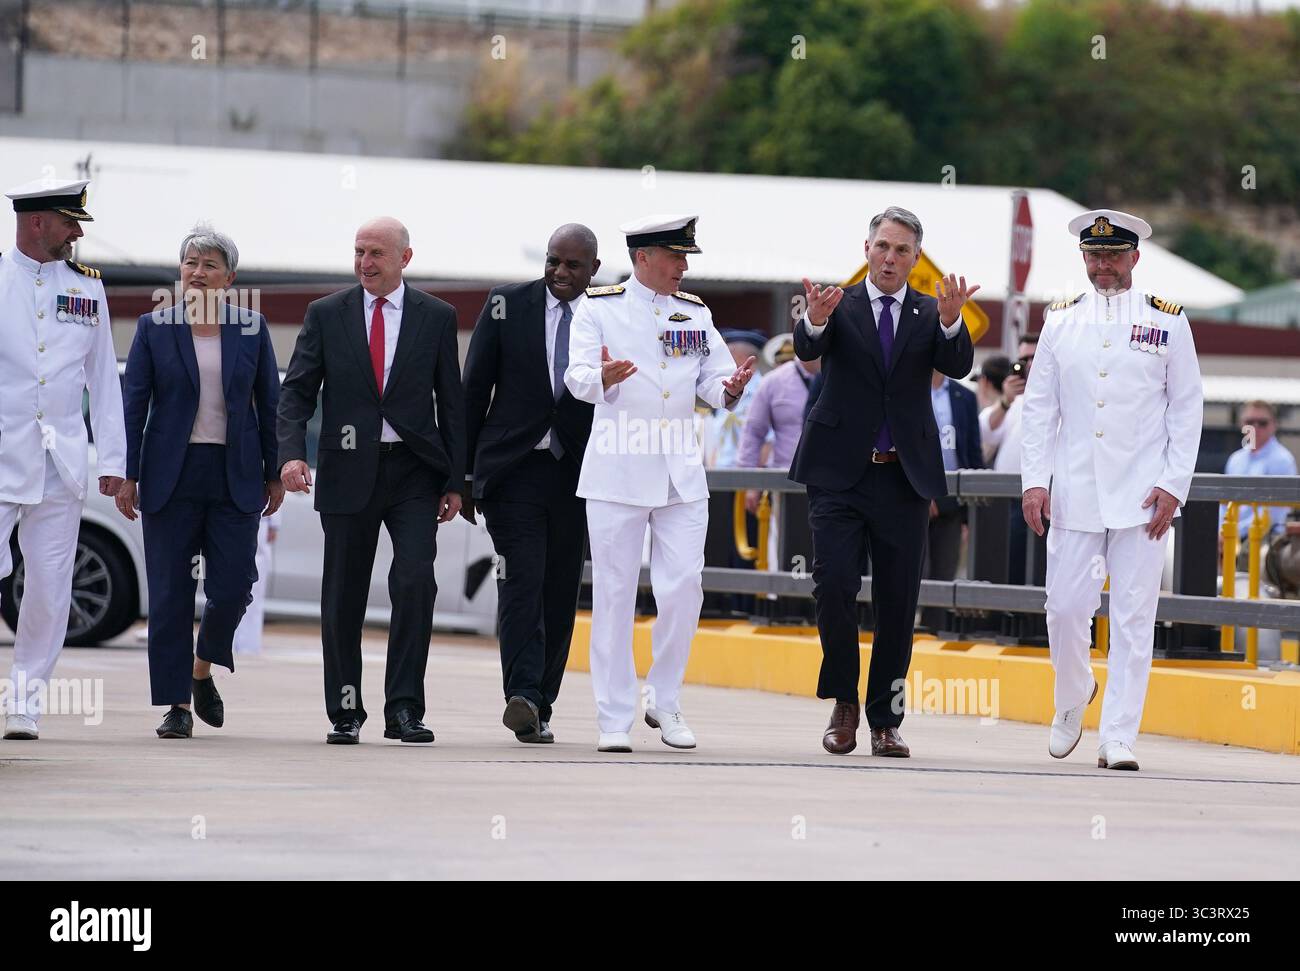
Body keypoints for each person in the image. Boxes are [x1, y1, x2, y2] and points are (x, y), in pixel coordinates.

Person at [564, 214, 754, 753]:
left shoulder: (694, 313)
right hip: (618, 469)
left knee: (684, 587)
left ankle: (665, 700)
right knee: (615, 595)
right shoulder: (597, 309)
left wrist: (731, 388)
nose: (685, 267)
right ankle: (613, 716)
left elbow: (712, 383)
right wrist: (600, 377)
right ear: (643, 258)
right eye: (676, 256)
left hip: (679, 471)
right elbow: (575, 377)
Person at [791, 206, 977, 758]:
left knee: (899, 602)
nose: (890, 257)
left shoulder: (928, 311)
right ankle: (844, 703)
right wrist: (816, 321)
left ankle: (885, 720)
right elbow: (807, 349)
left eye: (902, 251)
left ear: (915, 259)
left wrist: (950, 320)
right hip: (838, 476)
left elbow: (960, 364)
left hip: (904, 477)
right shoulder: (837, 304)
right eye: (882, 247)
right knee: (835, 588)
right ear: (866, 249)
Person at [1021, 208, 1203, 772]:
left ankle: (1119, 735)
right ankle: (1074, 695)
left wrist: (1174, 484)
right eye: (1094, 256)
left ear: (1134, 258)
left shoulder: (1168, 322)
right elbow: (1039, 408)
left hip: (1143, 497)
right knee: (1065, 609)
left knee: (1132, 617)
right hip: (1074, 490)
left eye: (1113, 255)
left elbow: (1187, 408)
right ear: (1083, 259)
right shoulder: (1060, 321)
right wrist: (1034, 481)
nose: (1103, 265)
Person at [277, 217, 465, 745]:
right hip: (346, 469)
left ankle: (403, 709)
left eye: (377, 252)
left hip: (413, 472)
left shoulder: (437, 317)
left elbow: (451, 402)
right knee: (343, 594)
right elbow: (295, 393)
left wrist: (455, 480)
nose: (365, 262)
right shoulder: (326, 314)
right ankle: (345, 710)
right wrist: (291, 455)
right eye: (359, 251)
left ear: (405, 258)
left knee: (414, 582)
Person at [118, 224, 283, 738]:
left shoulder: (252, 328)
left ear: (229, 278)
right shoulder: (154, 326)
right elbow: (134, 403)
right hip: (171, 473)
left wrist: (275, 472)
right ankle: (176, 706)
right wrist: (128, 474)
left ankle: (201, 668)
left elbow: (271, 404)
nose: (198, 273)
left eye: (210, 265)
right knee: (169, 592)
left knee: (234, 586)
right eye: (191, 263)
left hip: (235, 473)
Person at [461, 223, 600, 744]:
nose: (560, 273)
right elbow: (473, 390)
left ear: (594, 269)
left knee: (561, 589)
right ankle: (521, 694)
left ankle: (542, 701)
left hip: (579, 475)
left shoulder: (605, 315)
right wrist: (465, 475)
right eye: (552, 262)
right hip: (513, 470)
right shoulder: (505, 305)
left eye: (572, 265)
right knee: (522, 580)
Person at [0, 178, 125, 742]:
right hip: (3, 454)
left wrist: (114, 459)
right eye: (68, 221)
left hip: (63, 462)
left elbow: (102, 380)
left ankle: (23, 702)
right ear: (35, 223)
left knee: (50, 590)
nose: (77, 232)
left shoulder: (86, 288)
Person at [921, 367, 983, 631]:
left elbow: (972, 451)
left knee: (945, 571)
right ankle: (905, 632)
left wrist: (970, 512)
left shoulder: (964, 396)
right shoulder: (907, 387)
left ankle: (934, 630)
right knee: (911, 571)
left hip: (952, 498)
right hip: (913, 493)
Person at [1221, 400, 1296, 553]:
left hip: (1266, 540)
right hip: (1231, 537)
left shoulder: (1283, 460)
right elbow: (1224, 504)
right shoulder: (1236, 459)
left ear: (1274, 425)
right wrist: (1220, 532)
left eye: (1262, 423)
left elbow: (1273, 515)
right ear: (1243, 425)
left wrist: (1232, 533)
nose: (1255, 427)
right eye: (1250, 422)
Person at [703, 329, 766, 469]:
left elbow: (768, 441)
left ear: (743, 357)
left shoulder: (764, 389)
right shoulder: (725, 387)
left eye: (728, 353)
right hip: (720, 473)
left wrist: (756, 484)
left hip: (750, 477)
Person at [232, 509, 281, 656]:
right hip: (239, 513)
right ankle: (240, 643)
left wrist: (274, 522)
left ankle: (247, 644)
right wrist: (275, 522)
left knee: (253, 587)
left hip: (259, 515)